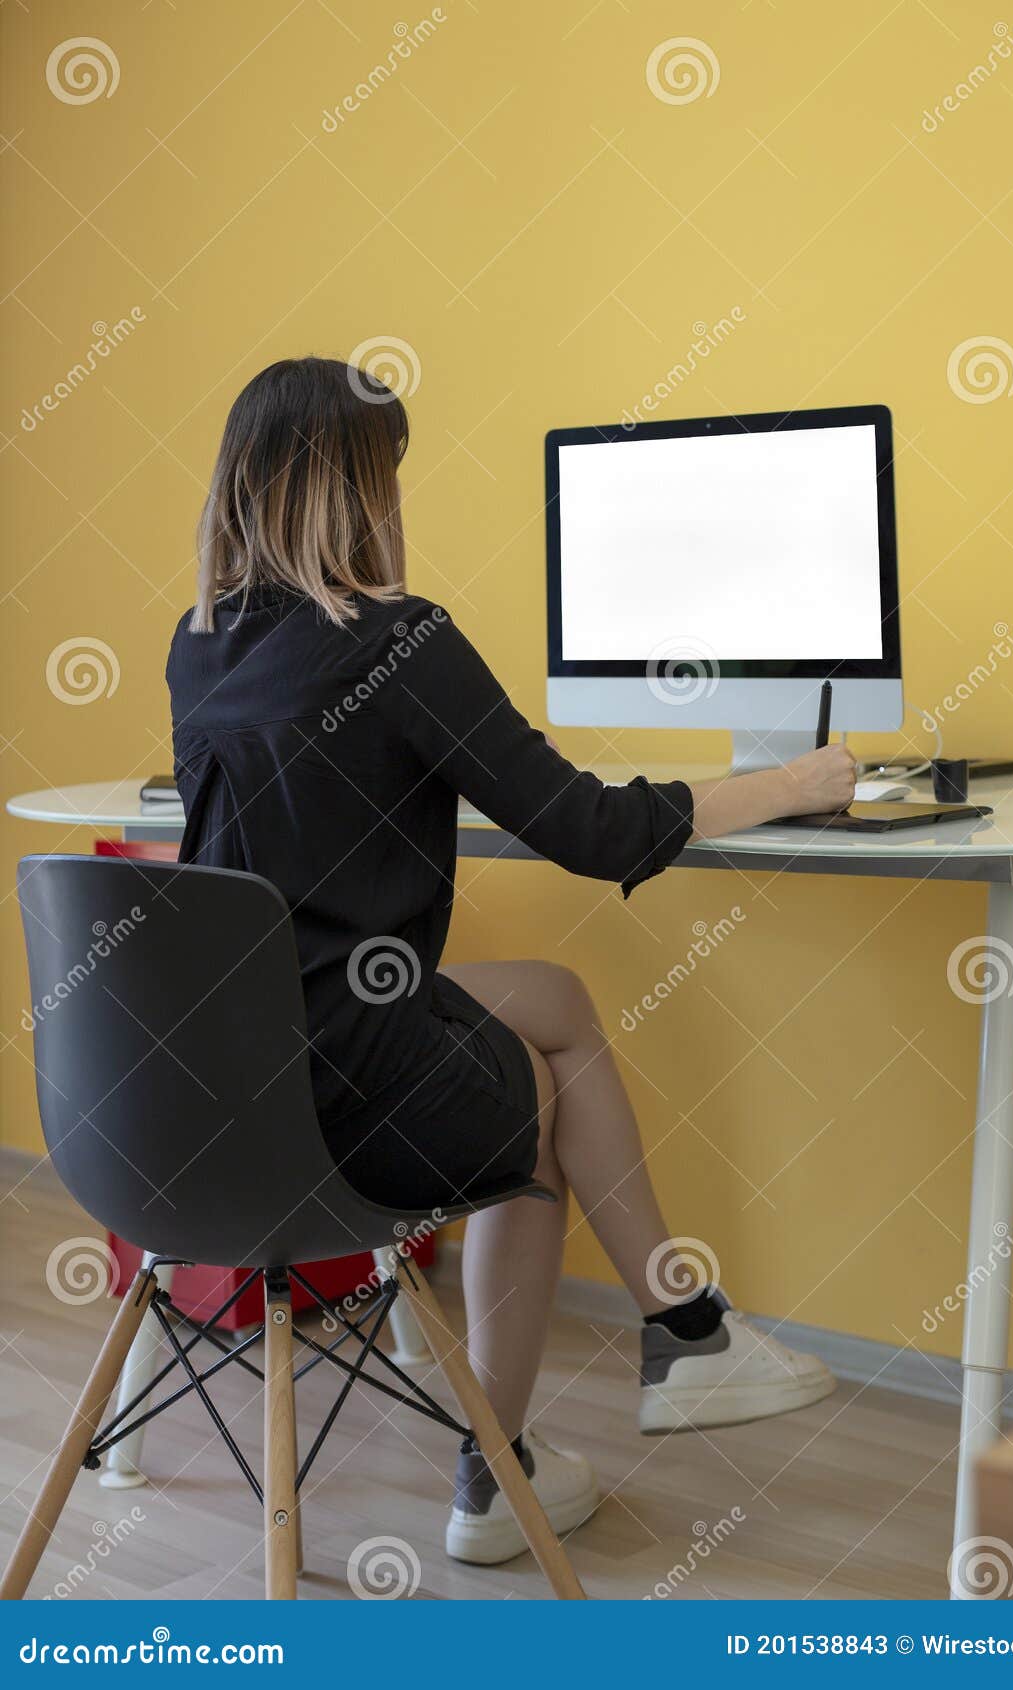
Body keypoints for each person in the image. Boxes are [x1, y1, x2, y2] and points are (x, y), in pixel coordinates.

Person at [167, 357, 857, 1567]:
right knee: (525, 1099)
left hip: (216, 1087)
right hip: (334, 1092)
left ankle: (680, 1325)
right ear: (359, 490)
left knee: (555, 998)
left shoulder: (200, 642)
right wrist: (795, 784)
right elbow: (588, 828)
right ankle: (497, 1465)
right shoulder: (399, 640)